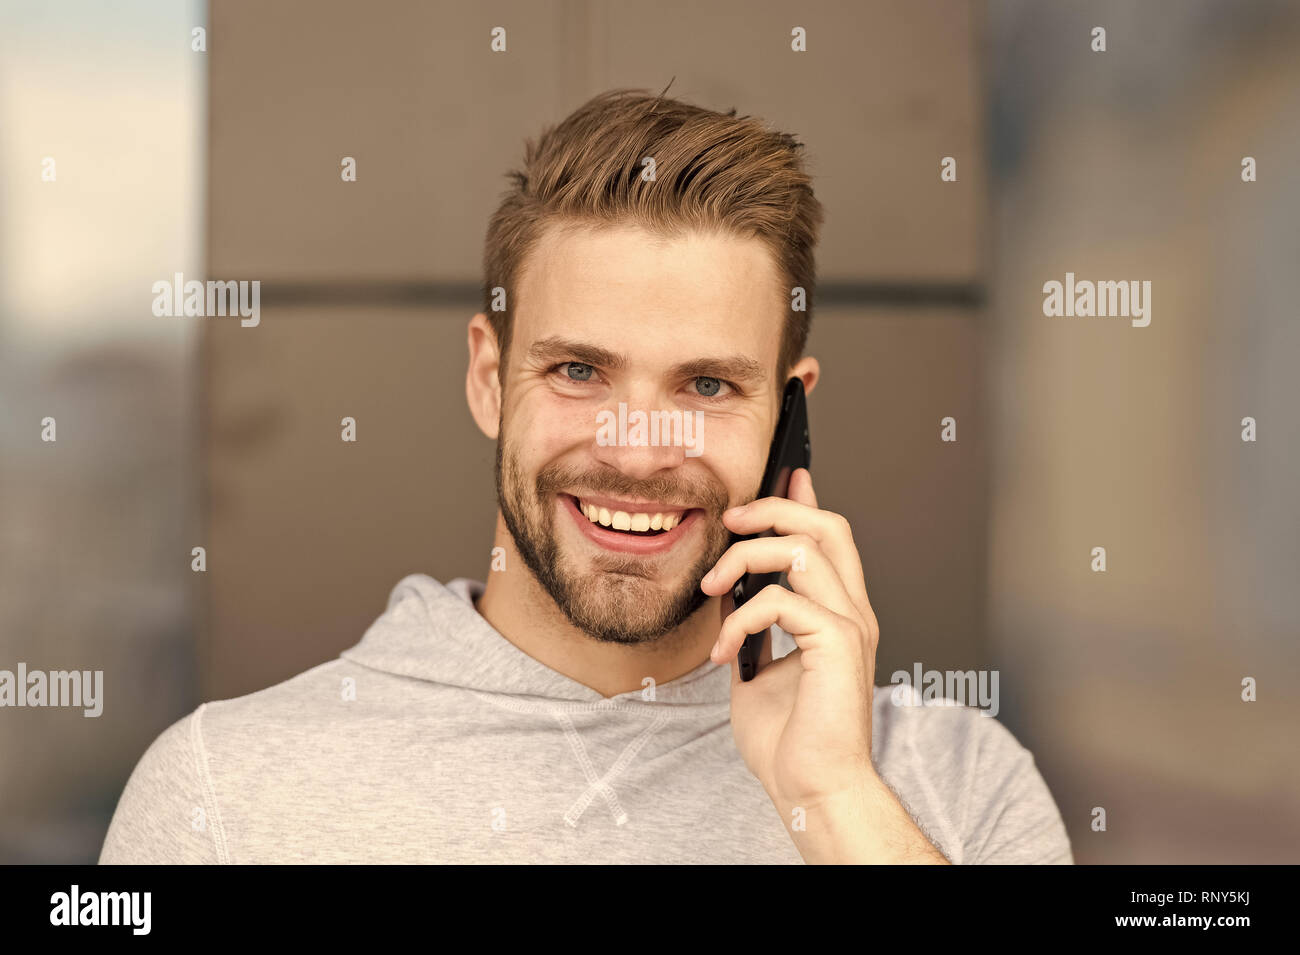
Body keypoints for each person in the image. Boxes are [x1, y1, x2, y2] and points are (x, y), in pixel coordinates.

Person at [100, 88, 1072, 864]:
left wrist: (835, 799)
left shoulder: (957, 785)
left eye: (707, 385)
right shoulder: (222, 794)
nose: (637, 450)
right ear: (489, 379)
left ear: (789, 416)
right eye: (577, 371)